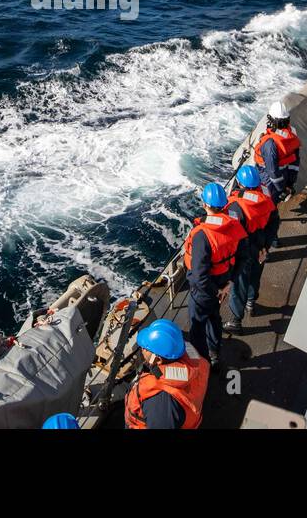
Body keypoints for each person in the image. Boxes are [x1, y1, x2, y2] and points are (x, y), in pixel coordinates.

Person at [182, 183, 248, 367]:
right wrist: (229, 284)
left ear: (205, 205)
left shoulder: (202, 235)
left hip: (204, 291)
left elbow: (199, 276)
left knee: (197, 327)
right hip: (223, 281)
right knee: (214, 319)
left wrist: (214, 292)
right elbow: (243, 257)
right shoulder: (234, 225)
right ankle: (215, 354)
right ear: (224, 204)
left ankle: (201, 364)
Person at [124, 318, 210, 429]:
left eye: (146, 348)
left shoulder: (160, 401)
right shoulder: (186, 353)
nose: (142, 349)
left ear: (158, 359)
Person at [223, 165, 278, 334]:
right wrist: (265, 247)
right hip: (261, 245)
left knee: (239, 284)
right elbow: (274, 223)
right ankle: (251, 303)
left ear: (239, 183)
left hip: (244, 250)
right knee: (255, 275)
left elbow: (232, 233)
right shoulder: (266, 196)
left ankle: (235, 321)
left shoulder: (235, 207)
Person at [254, 101, 301, 203]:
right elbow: (295, 161)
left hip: (269, 179)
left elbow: (272, 171)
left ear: (271, 119)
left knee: (269, 203)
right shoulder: (292, 134)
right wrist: (290, 184)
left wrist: (281, 190)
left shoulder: (270, 143)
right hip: (285, 175)